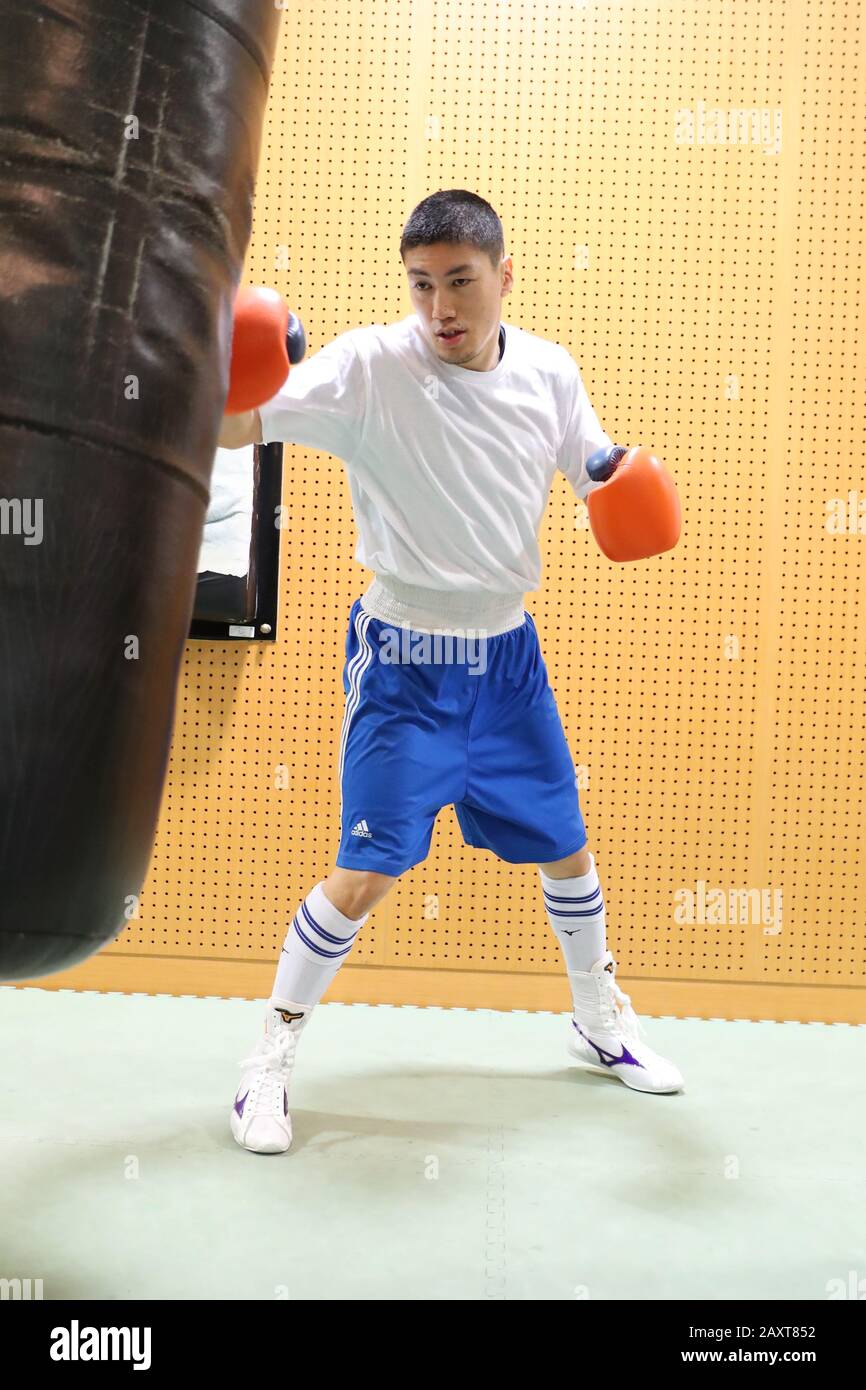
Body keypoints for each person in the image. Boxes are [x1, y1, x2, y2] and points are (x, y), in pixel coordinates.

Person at [221, 189, 684, 1155]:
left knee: (567, 846)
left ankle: (600, 1019)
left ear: (504, 276)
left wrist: (616, 474)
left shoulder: (551, 374)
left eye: (462, 283)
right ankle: (268, 1058)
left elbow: (591, 463)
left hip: (508, 659)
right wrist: (228, 368)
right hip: (405, 660)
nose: (442, 308)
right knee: (366, 870)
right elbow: (233, 432)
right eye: (423, 284)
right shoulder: (366, 369)